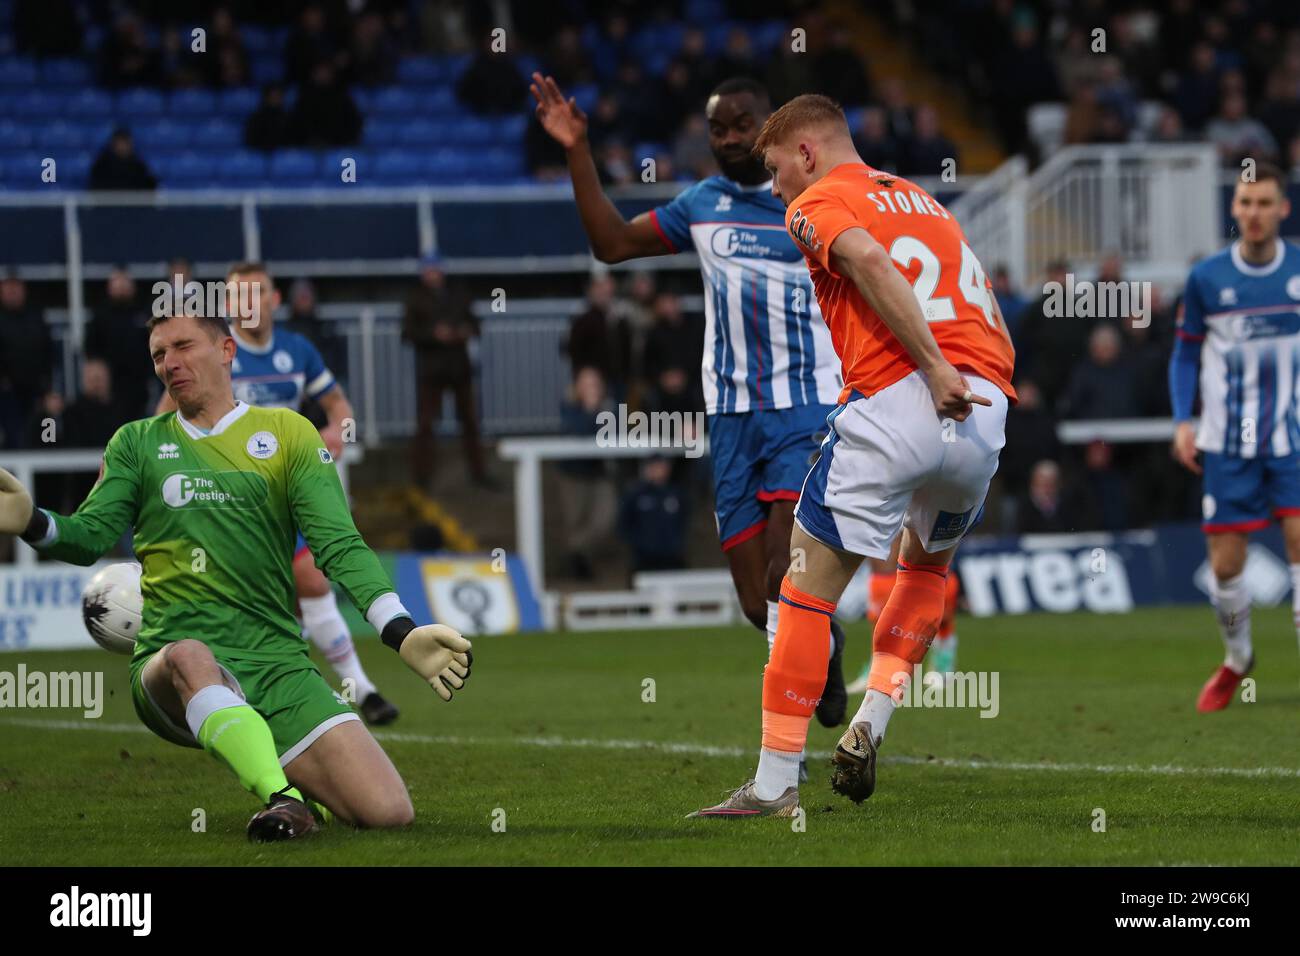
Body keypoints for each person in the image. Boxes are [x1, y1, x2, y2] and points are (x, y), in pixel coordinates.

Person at [0, 311, 471, 842]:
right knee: (188, 653)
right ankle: (283, 798)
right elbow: (88, 536)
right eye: (158, 354)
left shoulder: (287, 433)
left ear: (227, 351)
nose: (169, 363)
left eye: (183, 346)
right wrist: (35, 523)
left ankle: (259, 747)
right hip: (172, 665)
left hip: (276, 664)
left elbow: (338, 545)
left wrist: (400, 630)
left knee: (387, 812)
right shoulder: (135, 443)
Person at [692, 94, 1015, 817]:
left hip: (908, 394)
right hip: (984, 410)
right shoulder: (925, 202)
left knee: (802, 589)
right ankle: (870, 724)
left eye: (775, 170)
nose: (775, 189)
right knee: (925, 569)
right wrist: (967, 384)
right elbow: (985, 309)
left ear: (805, 153)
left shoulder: (816, 202)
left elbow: (866, 258)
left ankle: (774, 784)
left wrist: (931, 368)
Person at [531, 73, 851, 755]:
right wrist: (577, 150)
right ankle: (826, 640)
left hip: (807, 408)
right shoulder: (701, 205)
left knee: (780, 573)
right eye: (718, 127)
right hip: (731, 420)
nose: (730, 137)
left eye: (743, 124)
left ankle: (780, 761)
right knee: (753, 603)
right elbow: (612, 244)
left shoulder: (816, 202)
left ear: (772, 129)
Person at [156, 263, 400, 726]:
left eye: (257, 291)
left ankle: (359, 689)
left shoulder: (297, 350)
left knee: (311, 577)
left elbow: (337, 404)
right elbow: (167, 412)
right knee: (260, 600)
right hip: (225, 499)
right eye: (237, 294)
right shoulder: (215, 351)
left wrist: (337, 432)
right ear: (226, 304)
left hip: (281, 488)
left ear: (275, 299)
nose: (247, 301)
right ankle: (257, 696)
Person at [1169, 163, 1300, 713]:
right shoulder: (1207, 279)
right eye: (1245, 203)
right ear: (1234, 208)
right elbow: (1185, 353)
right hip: (1226, 444)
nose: (1253, 213)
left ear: (1282, 209)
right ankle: (1237, 658)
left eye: (1264, 203)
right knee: (1225, 567)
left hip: (1293, 439)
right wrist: (1182, 419)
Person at [401, 253, 490, 488]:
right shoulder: (415, 297)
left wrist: (462, 331)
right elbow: (407, 333)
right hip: (431, 371)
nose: (433, 274)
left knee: (470, 423)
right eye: (429, 270)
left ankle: (478, 473)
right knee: (426, 424)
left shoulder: (459, 293)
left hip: (460, 369)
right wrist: (434, 334)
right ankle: (421, 478)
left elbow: (476, 324)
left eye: (436, 269)